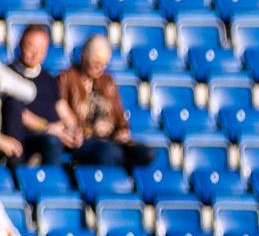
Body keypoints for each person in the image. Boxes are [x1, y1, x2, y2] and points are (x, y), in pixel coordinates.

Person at [61, 35, 153, 168]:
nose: (100, 68)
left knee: (146, 153)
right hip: (84, 139)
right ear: (84, 57)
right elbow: (62, 114)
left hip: (110, 138)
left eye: (103, 64)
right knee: (111, 152)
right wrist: (91, 129)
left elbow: (118, 113)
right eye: (96, 63)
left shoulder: (108, 81)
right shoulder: (67, 78)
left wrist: (122, 131)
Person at [1, 26, 78, 164]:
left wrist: (75, 130)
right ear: (20, 45)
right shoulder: (7, 77)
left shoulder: (49, 79)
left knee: (106, 150)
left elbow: (63, 110)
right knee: (52, 142)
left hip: (56, 133)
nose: (35, 54)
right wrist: (47, 127)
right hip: (30, 138)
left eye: (41, 49)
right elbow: (16, 111)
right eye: (30, 47)